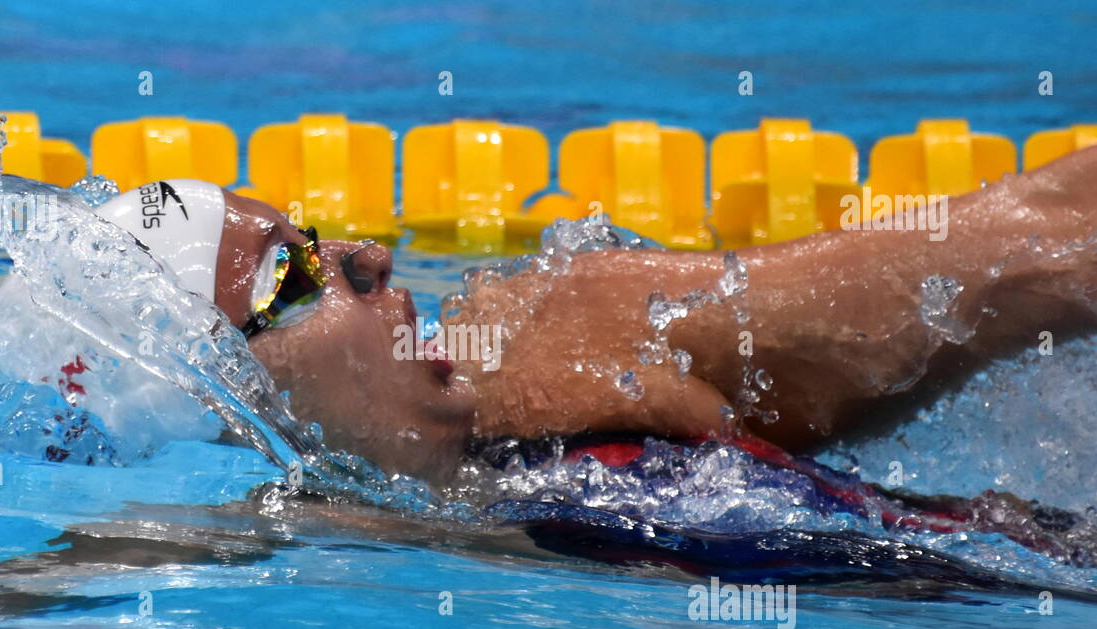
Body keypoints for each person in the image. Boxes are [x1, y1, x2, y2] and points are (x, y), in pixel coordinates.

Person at [93, 147, 1097, 486]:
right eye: (294, 276)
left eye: (325, 243)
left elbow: (1060, 231)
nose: (371, 256)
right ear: (216, 392)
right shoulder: (329, 527)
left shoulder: (613, 332)